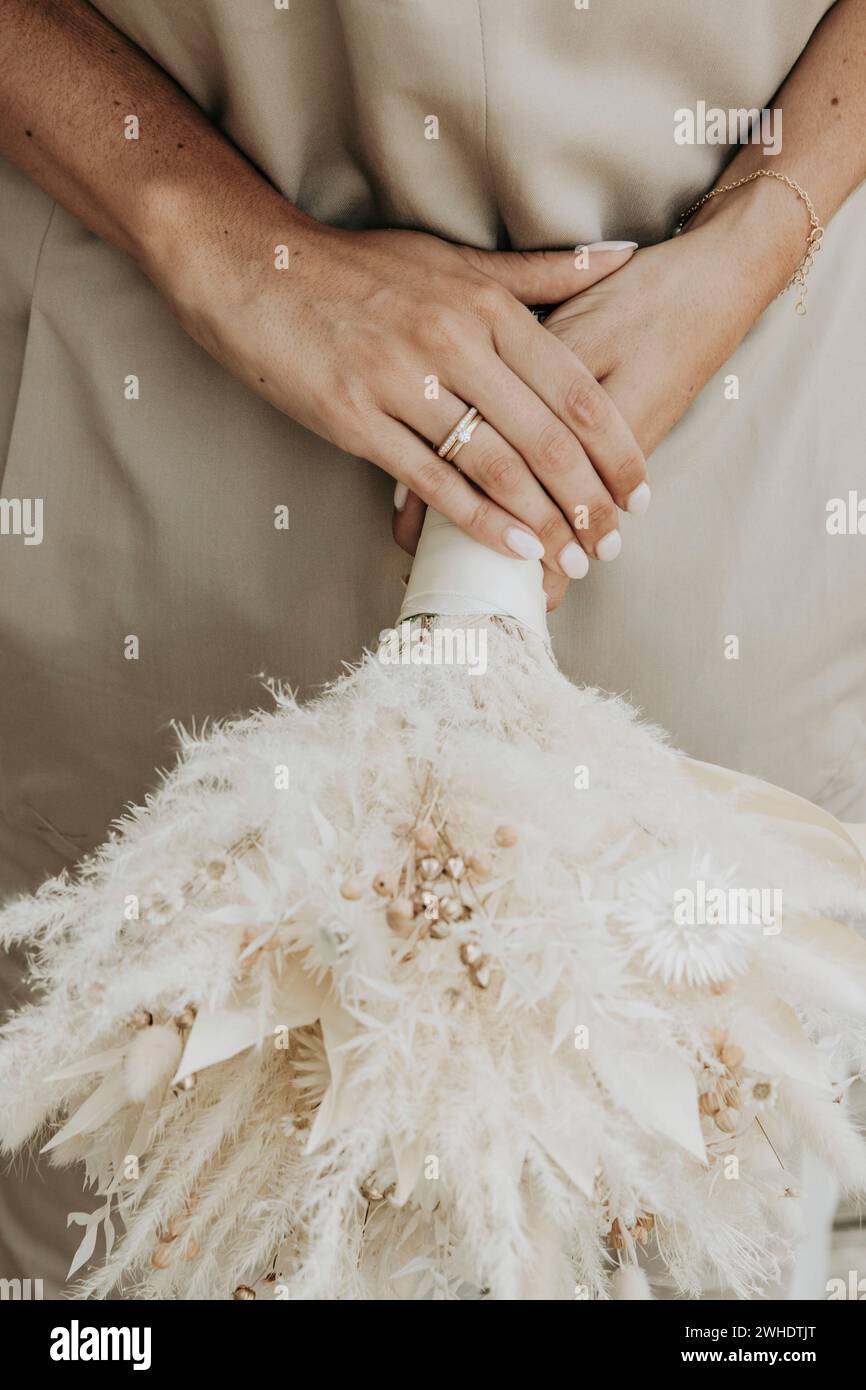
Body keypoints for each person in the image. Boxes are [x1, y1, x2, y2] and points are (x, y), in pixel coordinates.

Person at [0, 0, 864, 1296]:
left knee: (716, 1230)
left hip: (725, 434)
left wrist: (762, 226)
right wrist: (219, 242)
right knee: (147, 1228)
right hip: (177, 411)